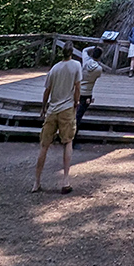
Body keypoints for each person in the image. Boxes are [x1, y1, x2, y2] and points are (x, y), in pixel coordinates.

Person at [32, 41, 81, 193]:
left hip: (52, 109)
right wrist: (76, 102)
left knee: (44, 146)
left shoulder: (54, 68)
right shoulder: (76, 66)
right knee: (67, 142)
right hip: (67, 108)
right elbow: (78, 86)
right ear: (72, 52)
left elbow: (47, 90)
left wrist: (43, 107)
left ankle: (36, 182)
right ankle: (65, 181)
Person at [73, 45, 103, 147]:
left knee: (74, 114)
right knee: (79, 116)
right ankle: (73, 139)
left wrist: (94, 47)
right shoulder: (99, 69)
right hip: (88, 94)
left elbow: (84, 50)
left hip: (78, 91)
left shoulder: (85, 61)